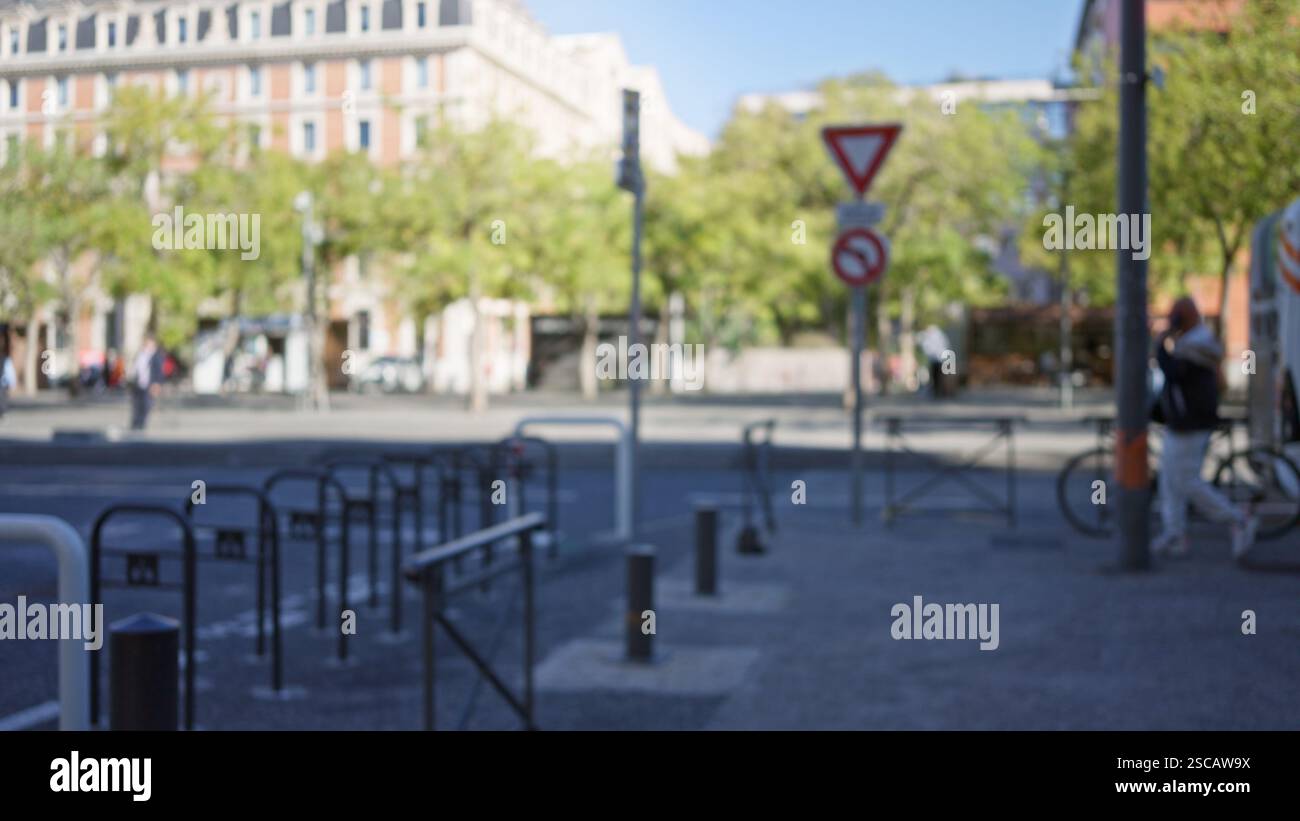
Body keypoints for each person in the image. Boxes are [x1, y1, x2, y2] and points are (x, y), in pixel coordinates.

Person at [1152, 296, 1257, 560]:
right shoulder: (1195, 343)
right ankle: (1174, 533)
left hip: (1191, 422)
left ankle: (1238, 518)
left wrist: (1161, 342)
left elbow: (1173, 372)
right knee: (1170, 480)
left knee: (1186, 481)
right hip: (1183, 421)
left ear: (1183, 317)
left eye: (1174, 316)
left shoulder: (1195, 346)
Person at [129, 333, 165, 431]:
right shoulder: (140, 354)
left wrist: (157, 384)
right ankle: (135, 423)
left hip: (149, 385)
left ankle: (141, 424)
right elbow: (135, 368)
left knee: (146, 405)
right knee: (136, 404)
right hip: (137, 384)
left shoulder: (156, 356)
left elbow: (159, 371)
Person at [0, 350, 15, 418]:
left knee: (2, 398)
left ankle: (2, 412)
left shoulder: (5, 359)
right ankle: (2, 412)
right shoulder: (5, 359)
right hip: (2, 383)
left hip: (2, 383)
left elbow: (9, 372)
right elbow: (10, 372)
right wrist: (12, 383)